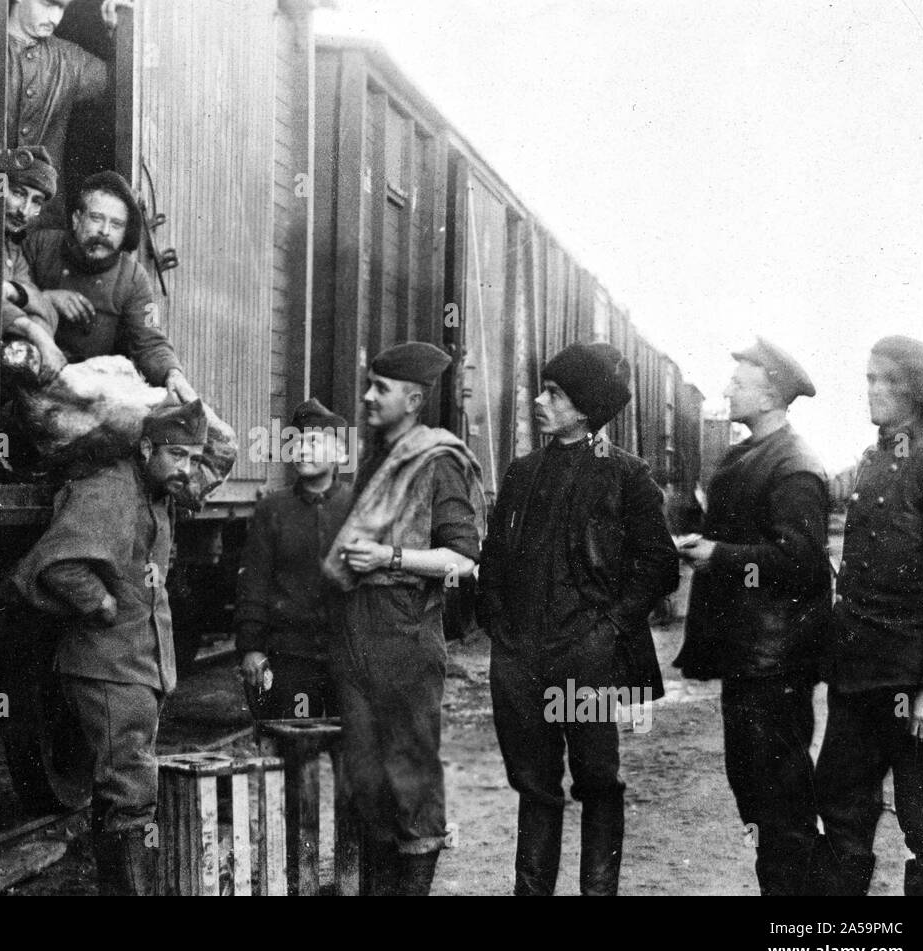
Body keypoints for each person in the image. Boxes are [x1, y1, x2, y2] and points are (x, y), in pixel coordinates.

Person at [479, 341, 678, 896]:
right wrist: (500, 627)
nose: (540, 401)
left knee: (596, 779)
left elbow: (659, 563)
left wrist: (609, 628)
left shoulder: (626, 475)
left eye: (554, 393)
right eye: (543, 389)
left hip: (587, 659)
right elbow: (494, 557)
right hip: (523, 657)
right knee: (535, 783)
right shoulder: (523, 472)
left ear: (585, 409)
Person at [4, 399, 208, 895]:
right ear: (145, 447)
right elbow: (54, 565)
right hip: (109, 664)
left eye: (193, 458)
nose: (187, 468)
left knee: (122, 790)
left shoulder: (157, 489)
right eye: (177, 455)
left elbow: (216, 458)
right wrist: (101, 604)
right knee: (132, 792)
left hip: (137, 660)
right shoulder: (112, 490)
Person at [321, 341, 487, 895]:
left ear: (413, 399)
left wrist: (391, 558)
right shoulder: (375, 457)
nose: (368, 396)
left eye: (381, 389)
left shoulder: (438, 461)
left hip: (405, 632)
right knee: (366, 782)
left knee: (411, 778)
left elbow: (463, 557)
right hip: (355, 633)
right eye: (369, 385)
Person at [674, 337, 832, 895]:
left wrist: (719, 556)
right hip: (753, 661)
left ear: (769, 396)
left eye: (738, 383)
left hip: (776, 666)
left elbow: (801, 563)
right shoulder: (752, 454)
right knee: (758, 797)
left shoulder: (793, 466)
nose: (726, 390)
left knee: (780, 806)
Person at [809, 336, 923, 896]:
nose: (875, 391)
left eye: (889, 381)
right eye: (870, 378)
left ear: (917, 390)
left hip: (913, 686)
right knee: (841, 809)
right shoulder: (872, 461)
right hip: (859, 679)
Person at [23, 171, 197, 404]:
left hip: (89, 395)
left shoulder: (134, 277)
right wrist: (46, 298)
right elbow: (6, 297)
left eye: (116, 224)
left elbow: (150, 341)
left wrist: (173, 373)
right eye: (96, 218)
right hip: (30, 375)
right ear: (76, 219)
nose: (105, 231)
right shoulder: (40, 246)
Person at [236, 399, 352, 721]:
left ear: (341, 454)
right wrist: (252, 648)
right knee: (297, 745)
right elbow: (254, 582)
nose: (301, 451)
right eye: (297, 443)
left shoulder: (357, 508)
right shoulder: (272, 510)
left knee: (354, 753)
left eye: (313, 443)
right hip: (292, 658)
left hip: (347, 657)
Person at [7, 0, 108, 230]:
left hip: (42, 226)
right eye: (48, 4)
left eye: (61, 8)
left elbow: (119, 88)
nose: (55, 18)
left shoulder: (71, 59)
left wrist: (118, 31)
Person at [0, 145, 63, 384]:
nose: (24, 211)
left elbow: (46, 312)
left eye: (36, 202)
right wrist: (34, 332)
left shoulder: (14, 254)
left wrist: (14, 291)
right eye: (17, 193)